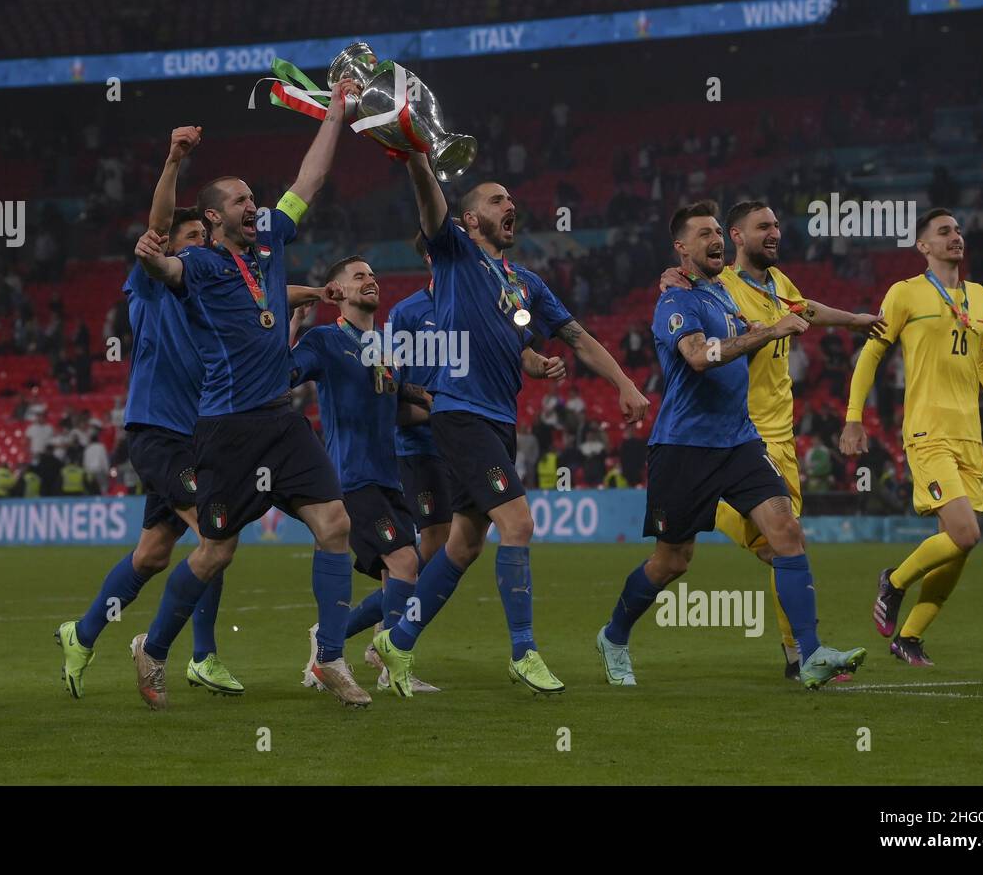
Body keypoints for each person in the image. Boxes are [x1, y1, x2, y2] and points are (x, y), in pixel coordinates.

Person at [132, 79, 375, 708]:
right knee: (216, 552)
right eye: (239, 200)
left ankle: (329, 658)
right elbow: (158, 245)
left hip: (281, 419)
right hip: (227, 429)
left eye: (252, 197)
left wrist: (337, 113)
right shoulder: (201, 266)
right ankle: (154, 649)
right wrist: (174, 162)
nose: (252, 204)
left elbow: (311, 178)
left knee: (335, 523)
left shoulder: (270, 242)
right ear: (213, 216)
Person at [370, 151, 649, 697]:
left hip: (499, 419)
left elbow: (574, 336)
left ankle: (398, 640)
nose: (510, 205)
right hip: (460, 413)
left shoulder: (525, 282)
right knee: (518, 523)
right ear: (470, 219)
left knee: (464, 544)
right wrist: (418, 160)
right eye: (497, 199)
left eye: (511, 199)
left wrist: (622, 382)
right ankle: (524, 652)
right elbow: (432, 207)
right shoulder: (452, 252)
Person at [598, 200, 865, 690]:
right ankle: (614, 636)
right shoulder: (675, 302)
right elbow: (699, 358)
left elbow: (788, 310)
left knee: (786, 531)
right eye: (703, 234)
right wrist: (766, 333)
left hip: (740, 440)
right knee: (672, 561)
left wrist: (803, 324)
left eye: (719, 231)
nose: (716, 239)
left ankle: (809, 656)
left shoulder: (724, 293)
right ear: (681, 248)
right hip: (684, 448)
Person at [841, 208, 983, 665]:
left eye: (959, 230)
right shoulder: (905, 293)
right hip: (928, 431)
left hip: (970, 436)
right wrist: (854, 417)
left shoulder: (982, 298)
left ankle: (907, 637)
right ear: (923, 246)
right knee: (966, 534)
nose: (956, 237)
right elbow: (871, 355)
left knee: (958, 547)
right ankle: (894, 581)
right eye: (944, 232)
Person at [291, 256, 442, 694]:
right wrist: (295, 326)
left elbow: (395, 409)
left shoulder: (387, 350)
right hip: (352, 477)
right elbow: (280, 373)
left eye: (373, 274)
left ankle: (334, 642)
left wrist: (442, 411)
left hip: (389, 477)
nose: (371, 279)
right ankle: (394, 666)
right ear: (337, 290)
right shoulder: (324, 340)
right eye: (359, 276)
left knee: (398, 576)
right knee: (407, 563)